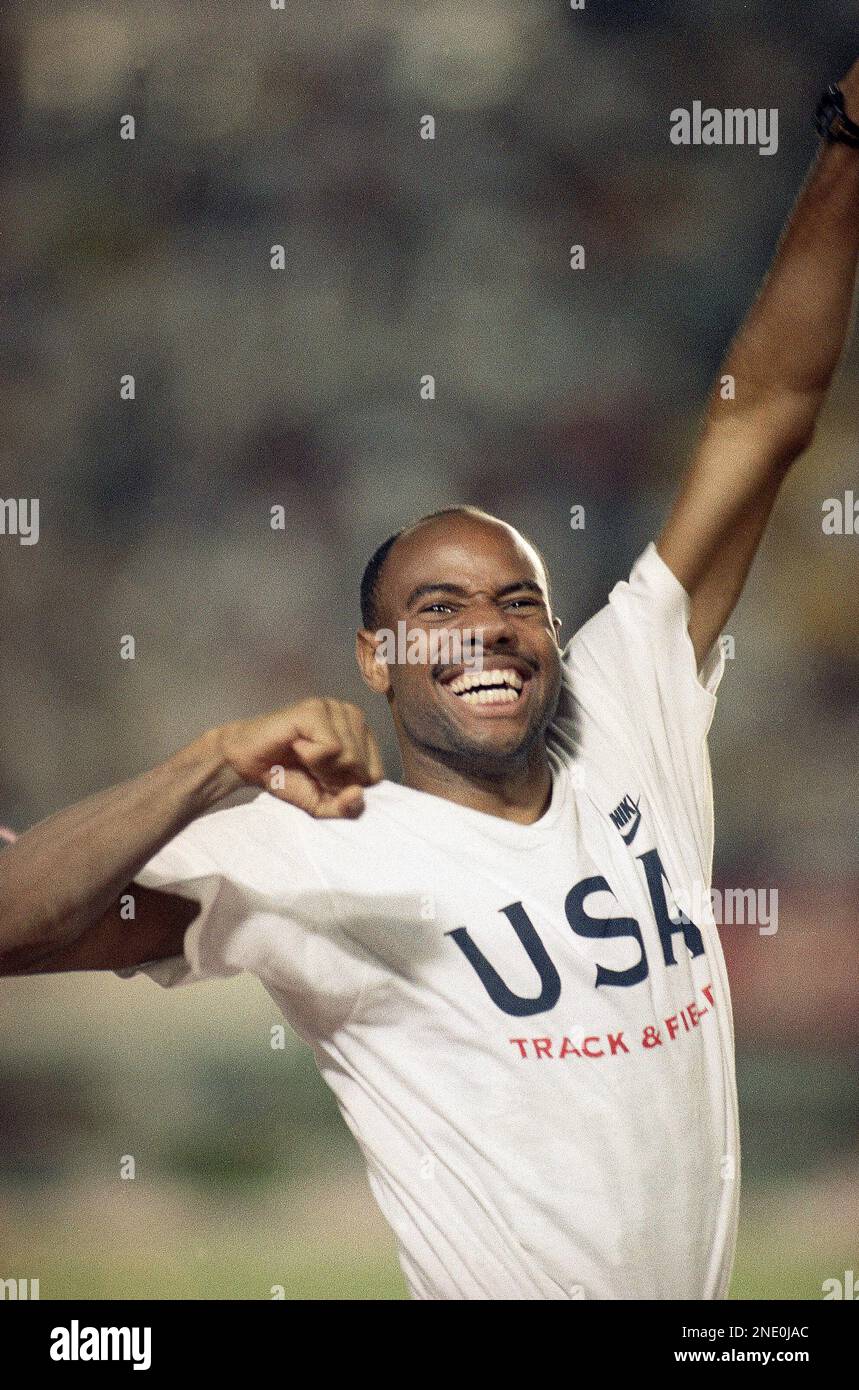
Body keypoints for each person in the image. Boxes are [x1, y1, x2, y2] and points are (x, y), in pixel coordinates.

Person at [4, 66, 859, 1300]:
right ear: (375, 657)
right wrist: (209, 766)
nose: (489, 631)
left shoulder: (629, 712)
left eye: (519, 604)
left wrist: (846, 146)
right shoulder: (311, 853)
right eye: (437, 609)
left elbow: (765, 412)